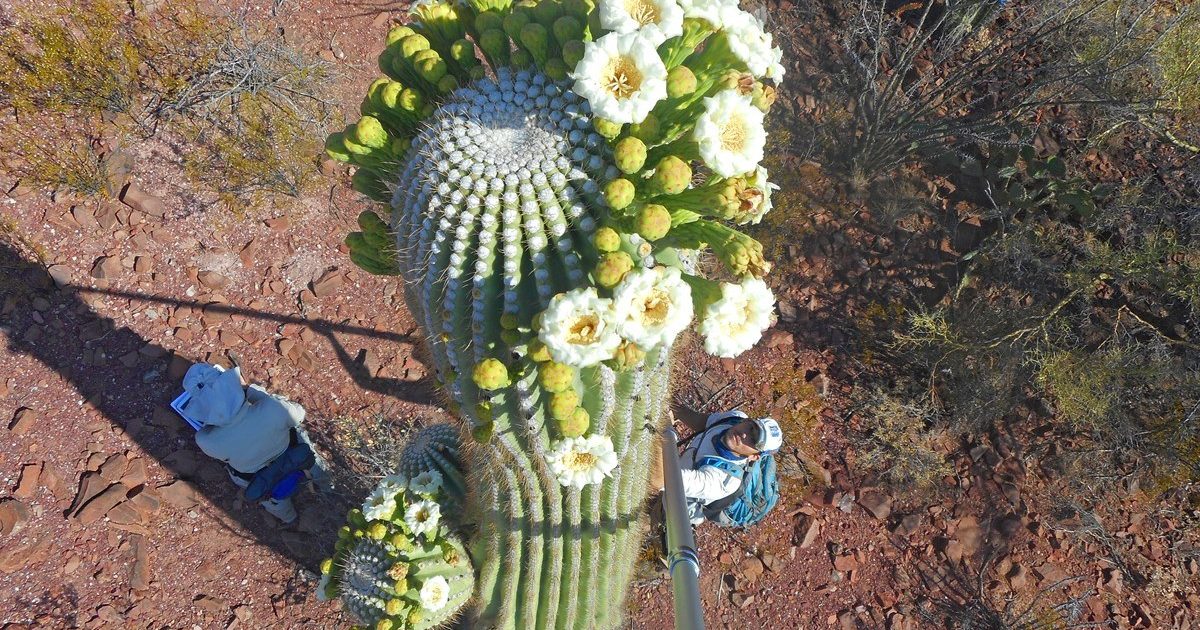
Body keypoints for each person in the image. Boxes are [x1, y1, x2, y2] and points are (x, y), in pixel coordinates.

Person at [183, 362, 330, 524]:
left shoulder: (206, 440)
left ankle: (289, 518)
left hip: (259, 478)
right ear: (232, 385)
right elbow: (299, 413)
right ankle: (328, 486)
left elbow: (218, 449)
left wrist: (212, 417)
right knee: (306, 446)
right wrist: (251, 392)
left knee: (274, 502)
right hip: (294, 454)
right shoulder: (271, 408)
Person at [672, 407, 783, 525]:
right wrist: (672, 407)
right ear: (746, 420)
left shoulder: (725, 480)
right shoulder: (733, 418)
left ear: (754, 457)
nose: (744, 435)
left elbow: (669, 479)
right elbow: (702, 422)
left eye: (754, 440)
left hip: (676, 511)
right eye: (751, 428)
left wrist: (667, 436)